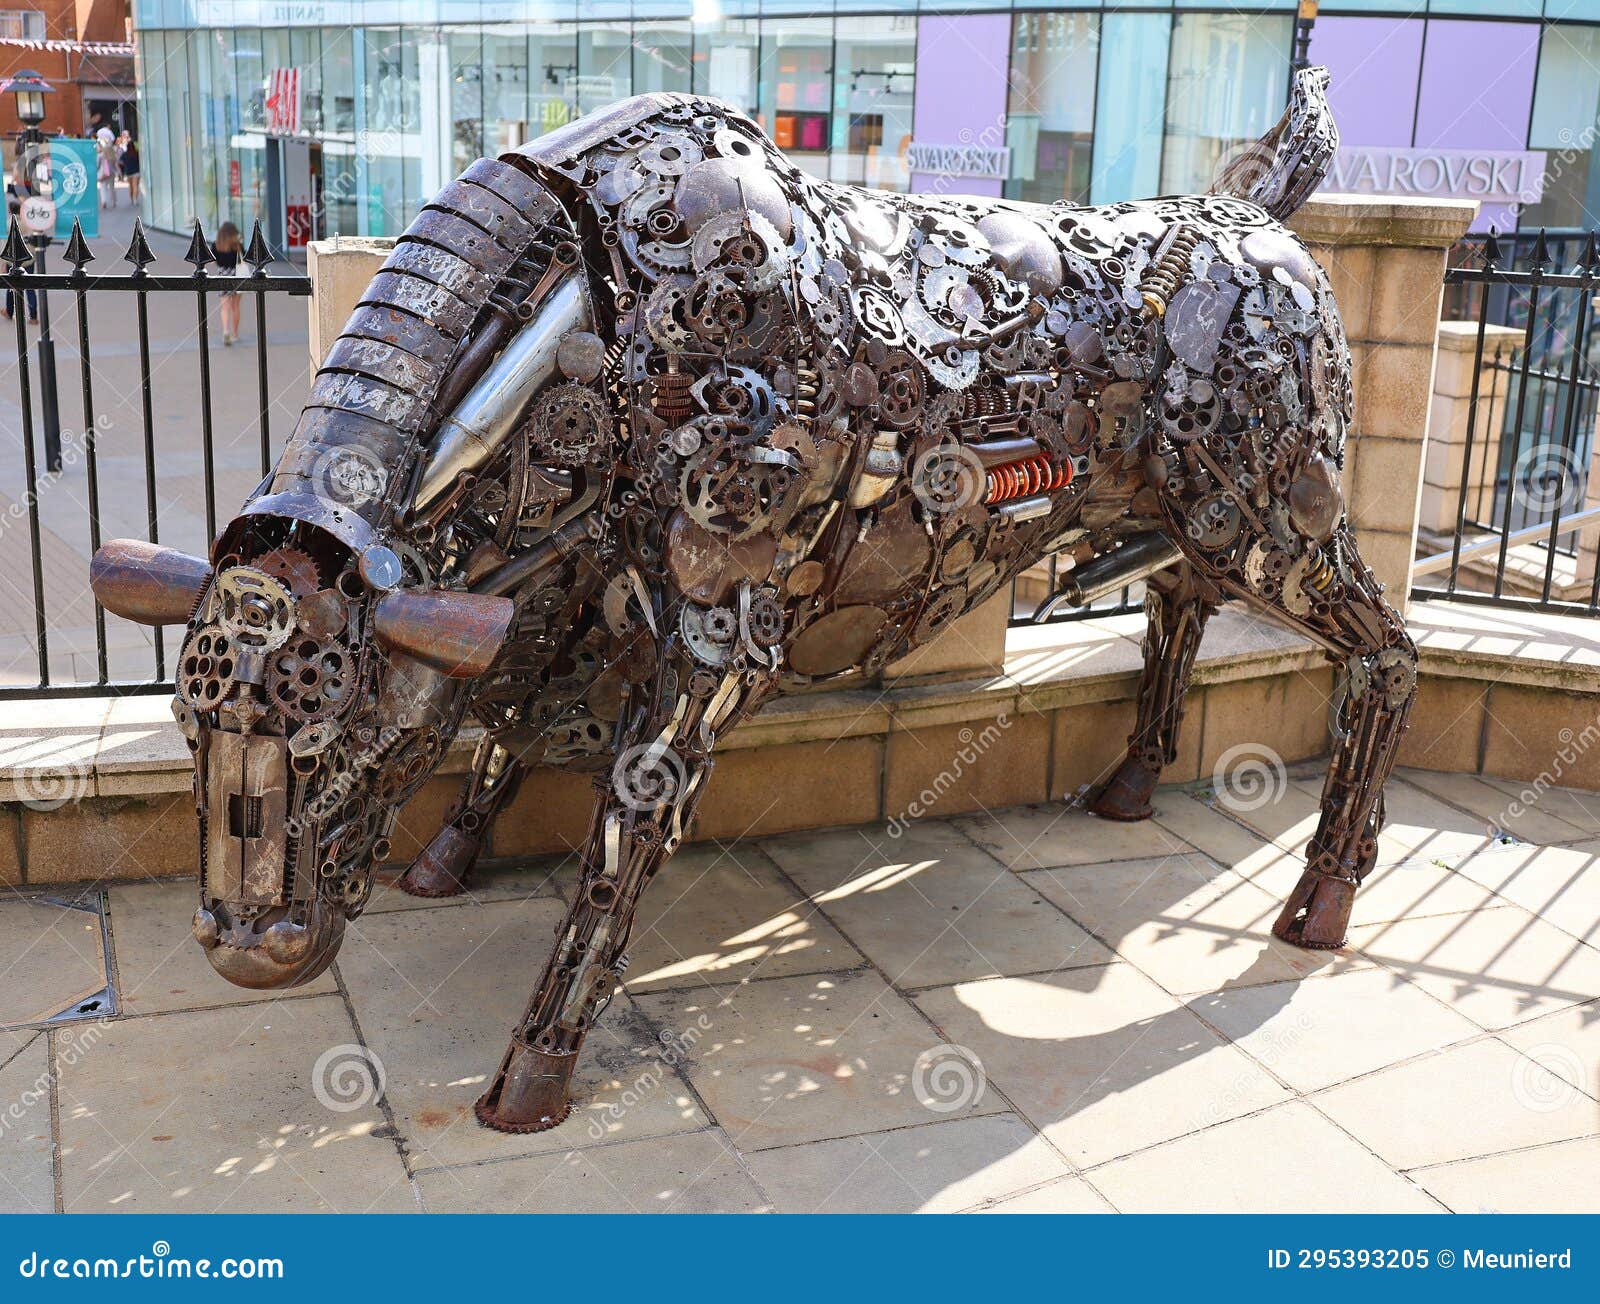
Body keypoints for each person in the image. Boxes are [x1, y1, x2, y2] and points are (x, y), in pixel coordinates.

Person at [214, 220, 243, 345]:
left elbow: (213, 260)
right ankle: (235, 334)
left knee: (224, 307)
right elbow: (244, 259)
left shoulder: (216, 245)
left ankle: (225, 331)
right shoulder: (237, 246)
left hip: (222, 277)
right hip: (236, 277)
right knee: (235, 307)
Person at [96, 125, 116, 208]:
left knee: (103, 187)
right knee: (112, 187)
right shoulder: (112, 152)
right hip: (112, 172)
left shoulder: (100, 155)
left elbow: (97, 165)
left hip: (103, 172)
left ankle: (104, 201)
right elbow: (116, 162)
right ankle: (114, 201)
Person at [120, 137, 140, 206]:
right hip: (137, 171)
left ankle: (132, 199)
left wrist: (125, 165)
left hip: (128, 172)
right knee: (135, 186)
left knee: (131, 186)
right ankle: (135, 200)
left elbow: (120, 162)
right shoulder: (137, 153)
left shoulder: (125, 154)